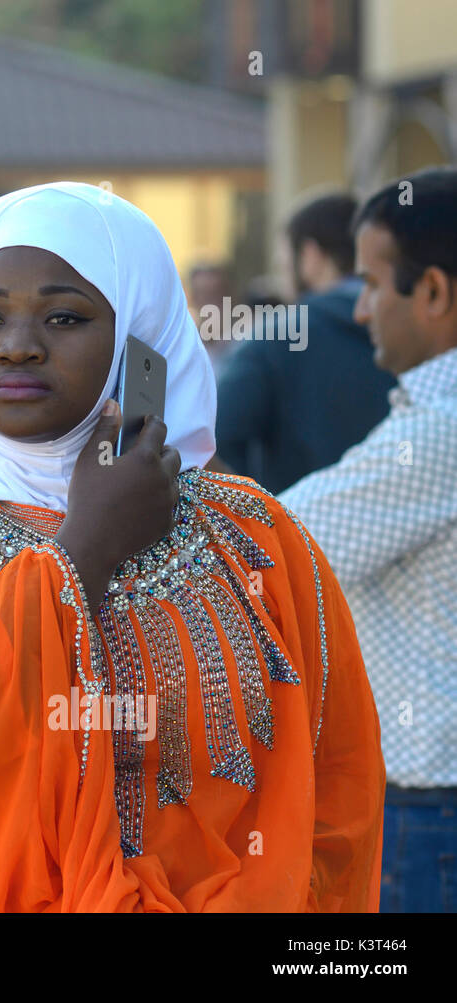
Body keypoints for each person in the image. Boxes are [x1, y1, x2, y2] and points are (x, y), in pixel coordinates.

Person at [0, 182, 385, 912]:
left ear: (139, 339)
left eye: (65, 316)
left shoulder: (254, 536)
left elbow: (337, 790)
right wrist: (86, 545)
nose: (17, 344)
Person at [280, 167, 457, 913]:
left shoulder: (441, 428)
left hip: (427, 804)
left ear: (434, 292)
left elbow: (278, 543)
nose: (358, 310)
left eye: (374, 284)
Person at [215, 192, 397, 493]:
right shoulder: (413, 330)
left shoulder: (276, 335)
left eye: (284, 263)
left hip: (294, 518)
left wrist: (259, 510)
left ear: (311, 255)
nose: (282, 277)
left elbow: (218, 436)